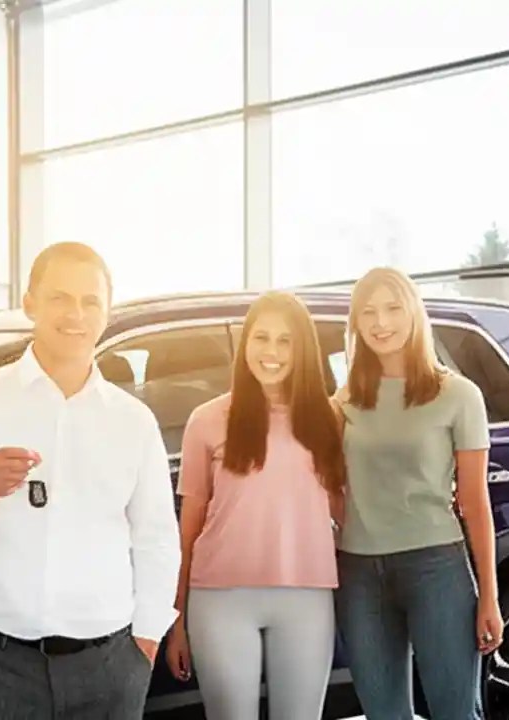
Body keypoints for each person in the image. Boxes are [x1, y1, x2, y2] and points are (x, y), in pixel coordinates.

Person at [0, 241, 181, 719]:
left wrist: (147, 640)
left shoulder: (132, 420)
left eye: (90, 301)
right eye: (59, 298)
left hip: (110, 667)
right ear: (30, 302)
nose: (76, 314)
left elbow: (155, 538)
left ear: (107, 311)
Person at [164, 291, 345, 720]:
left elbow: (349, 510)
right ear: (246, 344)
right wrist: (177, 622)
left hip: (306, 600)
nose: (272, 352)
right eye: (261, 338)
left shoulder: (331, 419)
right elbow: (188, 529)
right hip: (221, 602)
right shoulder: (206, 420)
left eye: (286, 341)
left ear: (303, 350)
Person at [334, 267, 504, 720]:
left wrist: (489, 595)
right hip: (359, 576)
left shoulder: (459, 396)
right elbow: (333, 488)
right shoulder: (345, 400)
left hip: (437, 569)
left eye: (392, 308)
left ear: (414, 314)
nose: (380, 322)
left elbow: (474, 504)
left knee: (454, 713)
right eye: (367, 312)